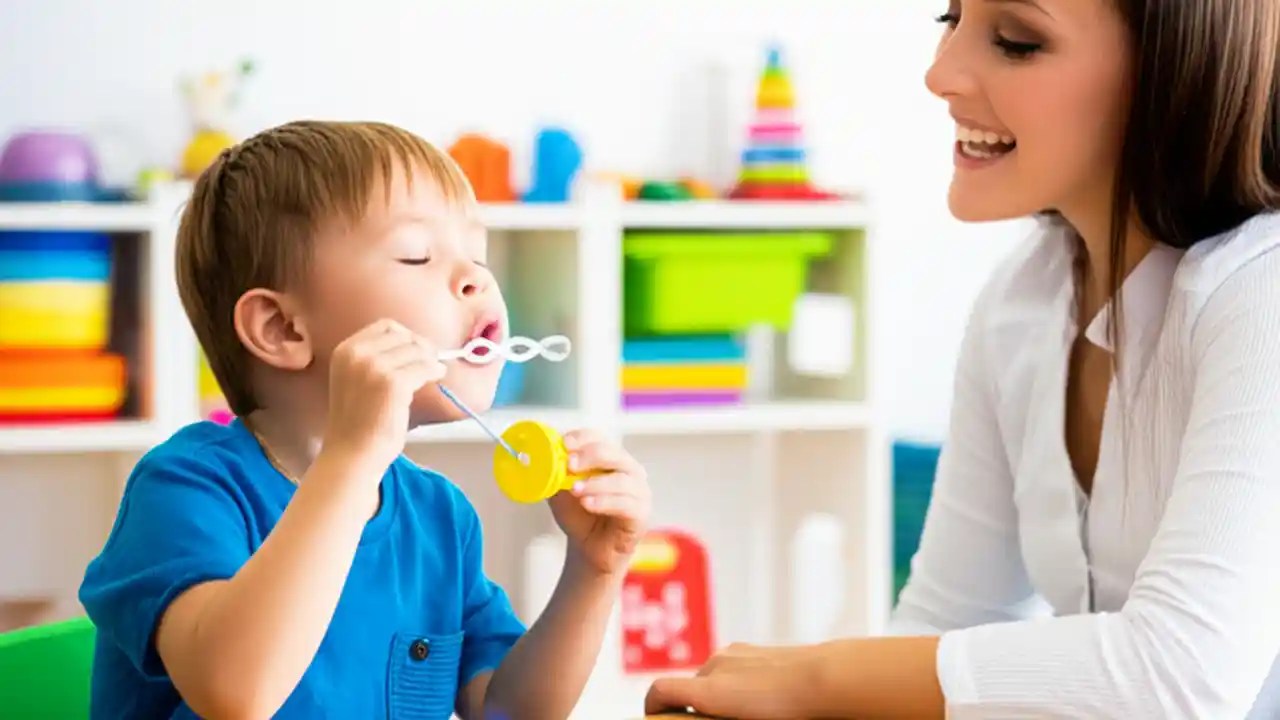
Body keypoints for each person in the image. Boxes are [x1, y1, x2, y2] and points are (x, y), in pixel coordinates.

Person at [646, 0, 1280, 717]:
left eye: (1015, 41)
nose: (940, 74)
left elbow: (1182, 680)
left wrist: (815, 678)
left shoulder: (1263, 293)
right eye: (949, 19)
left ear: (1177, 70)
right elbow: (952, 620)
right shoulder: (1022, 301)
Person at [78, 120, 652, 719]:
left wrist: (593, 571)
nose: (476, 279)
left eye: (477, 257)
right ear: (282, 329)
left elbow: (508, 711)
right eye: (417, 255)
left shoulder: (439, 517)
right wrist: (351, 458)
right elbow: (234, 694)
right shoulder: (185, 490)